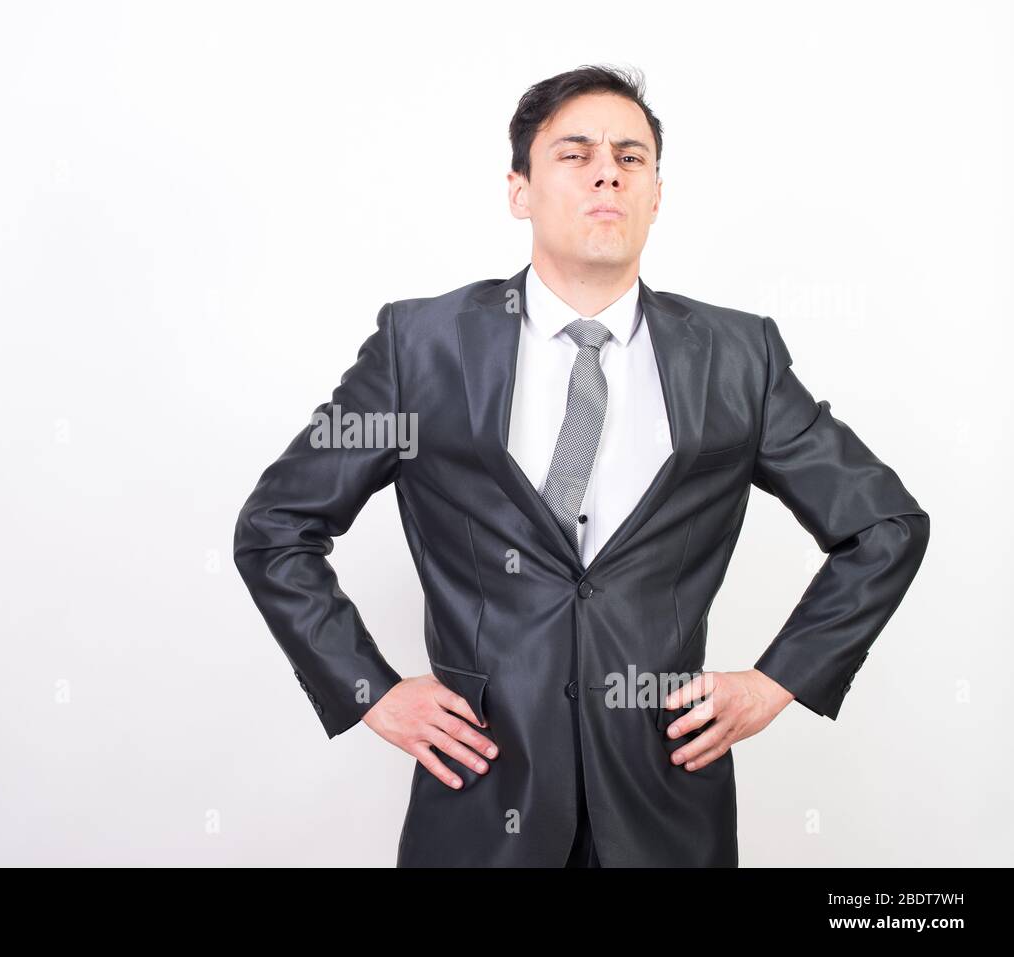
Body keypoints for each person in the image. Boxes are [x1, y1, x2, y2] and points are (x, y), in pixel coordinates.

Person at [233, 65, 929, 867]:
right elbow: (277, 525)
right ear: (519, 189)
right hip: (482, 803)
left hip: (666, 809)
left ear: (656, 195)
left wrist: (776, 681)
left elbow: (884, 525)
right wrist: (372, 692)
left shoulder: (739, 358)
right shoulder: (420, 347)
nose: (608, 170)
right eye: (575, 153)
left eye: (631, 158)